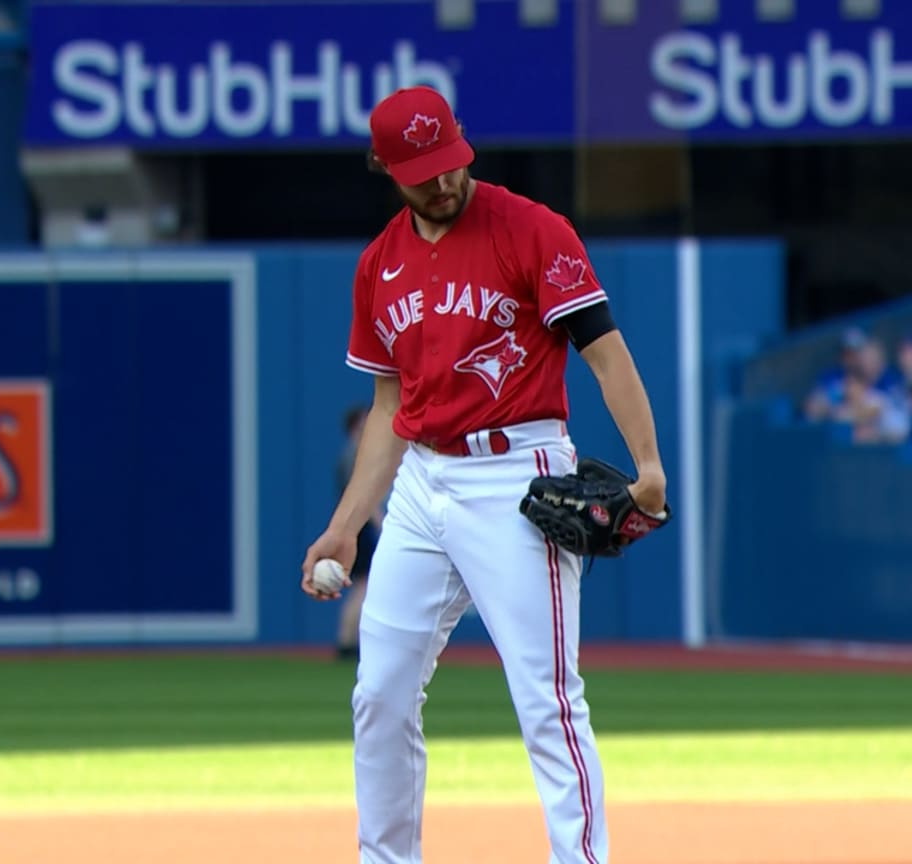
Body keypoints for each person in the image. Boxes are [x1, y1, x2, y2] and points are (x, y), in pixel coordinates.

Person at [300, 85, 667, 864]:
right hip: (423, 485)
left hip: (518, 476)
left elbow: (604, 350)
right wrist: (343, 523)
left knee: (548, 699)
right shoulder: (379, 267)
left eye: (450, 161)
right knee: (380, 693)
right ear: (383, 167)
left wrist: (648, 465)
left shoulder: (531, 229)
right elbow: (388, 409)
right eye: (422, 171)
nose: (443, 182)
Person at [334, 405, 382, 661]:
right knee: (363, 585)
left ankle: (347, 640)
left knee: (361, 586)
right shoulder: (354, 455)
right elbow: (364, 495)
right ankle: (347, 641)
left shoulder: (351, 454)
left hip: (356, 525)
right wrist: (379, 521)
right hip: (361, 526)